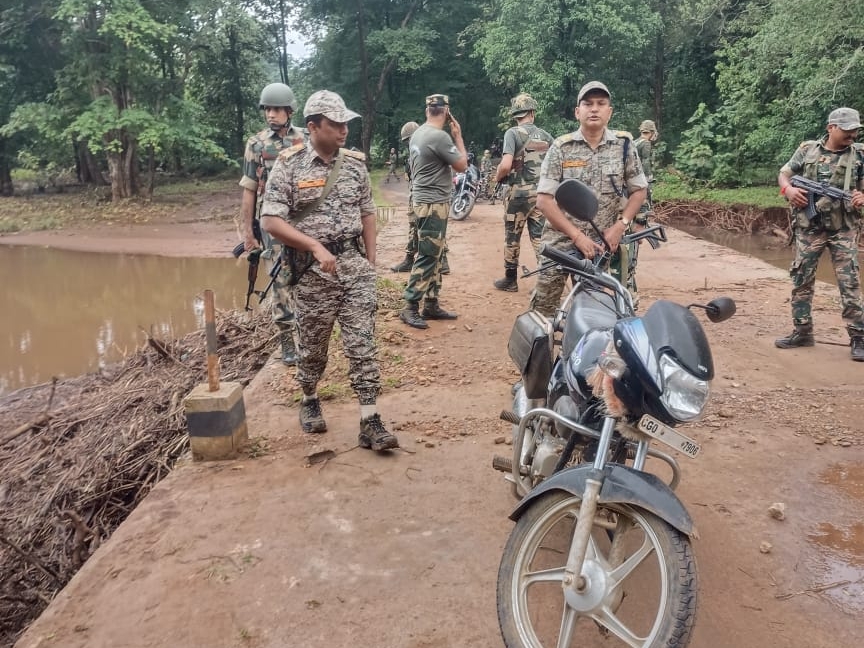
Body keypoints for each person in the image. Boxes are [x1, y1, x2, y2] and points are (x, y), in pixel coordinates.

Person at [260, 90, 399, 451]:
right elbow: (272, 220)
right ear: (312, 127)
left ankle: (370, 419)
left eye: (345, 124)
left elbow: (367, 211)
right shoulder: (289, 164)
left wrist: (370, 260)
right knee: (313, 349)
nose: (344, 130)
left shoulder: (354, 164)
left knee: (362, 343)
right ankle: (308, 397)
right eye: (335, 124)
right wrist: (314, 246)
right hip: (312, 273)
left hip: (354, 265)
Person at [529, 81, 648, 317]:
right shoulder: (561, 147)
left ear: (609, 111)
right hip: (560, 243)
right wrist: (576, 236)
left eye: (601, 104)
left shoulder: (624, 146)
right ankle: (541, 353)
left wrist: (620, 226)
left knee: (595, 310)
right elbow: (544, 200)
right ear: (577, 111)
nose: (594, 109)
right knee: (543, 310)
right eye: (588, 104)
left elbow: (639, 191)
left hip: (599, 245)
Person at [775, 107, 864, 361]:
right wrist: (789, 191)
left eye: (855, 130)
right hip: (809, 228)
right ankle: (802, 331)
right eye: (847, 131)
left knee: (849, 282)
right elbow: (784, 174)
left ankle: (859, 336)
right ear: (831, 128)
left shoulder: (859, 154)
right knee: (801, 279)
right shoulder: (807, 150)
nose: (852, 135)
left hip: (843, 229)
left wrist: (861, 195)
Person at [238, 83, 306, 365]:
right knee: (279, 279)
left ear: (289, 110)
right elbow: (249, 190)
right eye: (267, 109)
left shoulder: (305, 138)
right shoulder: (256, 144)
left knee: (306, 277)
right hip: (273, 223)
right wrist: (248, 233)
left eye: (277, 109)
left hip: (303, 219)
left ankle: (308, 334)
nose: (271, 114)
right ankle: (287, 341)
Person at [399, 93, 468, 329]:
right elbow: (462, 165)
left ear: (427, 110)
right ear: (447, 111)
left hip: (423, 201)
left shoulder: (417, 133)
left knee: (436, 254)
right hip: (433, 203)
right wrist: (458, 136)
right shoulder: (439, 137)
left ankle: (431, 303)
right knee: (429, 255)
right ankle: (410, 305)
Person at [492, 93, 554, 292]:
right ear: (532, 113)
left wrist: (498, 176)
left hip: (517, 194)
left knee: (512, 236)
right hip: (542, 195)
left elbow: (506, 164)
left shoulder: (512, 133)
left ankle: (510, 280)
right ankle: (547, 282)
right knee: (539, 237)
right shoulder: (545, 136)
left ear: (516, 115)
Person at [391, 121, 421, 272]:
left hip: (419, 195)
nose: (408, 144)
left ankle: (409, 259)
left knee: (415, 225)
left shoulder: (420, 153)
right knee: (429, 226)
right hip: (421, 194)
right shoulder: (419, 152)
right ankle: (443, 260)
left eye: (408, 140)